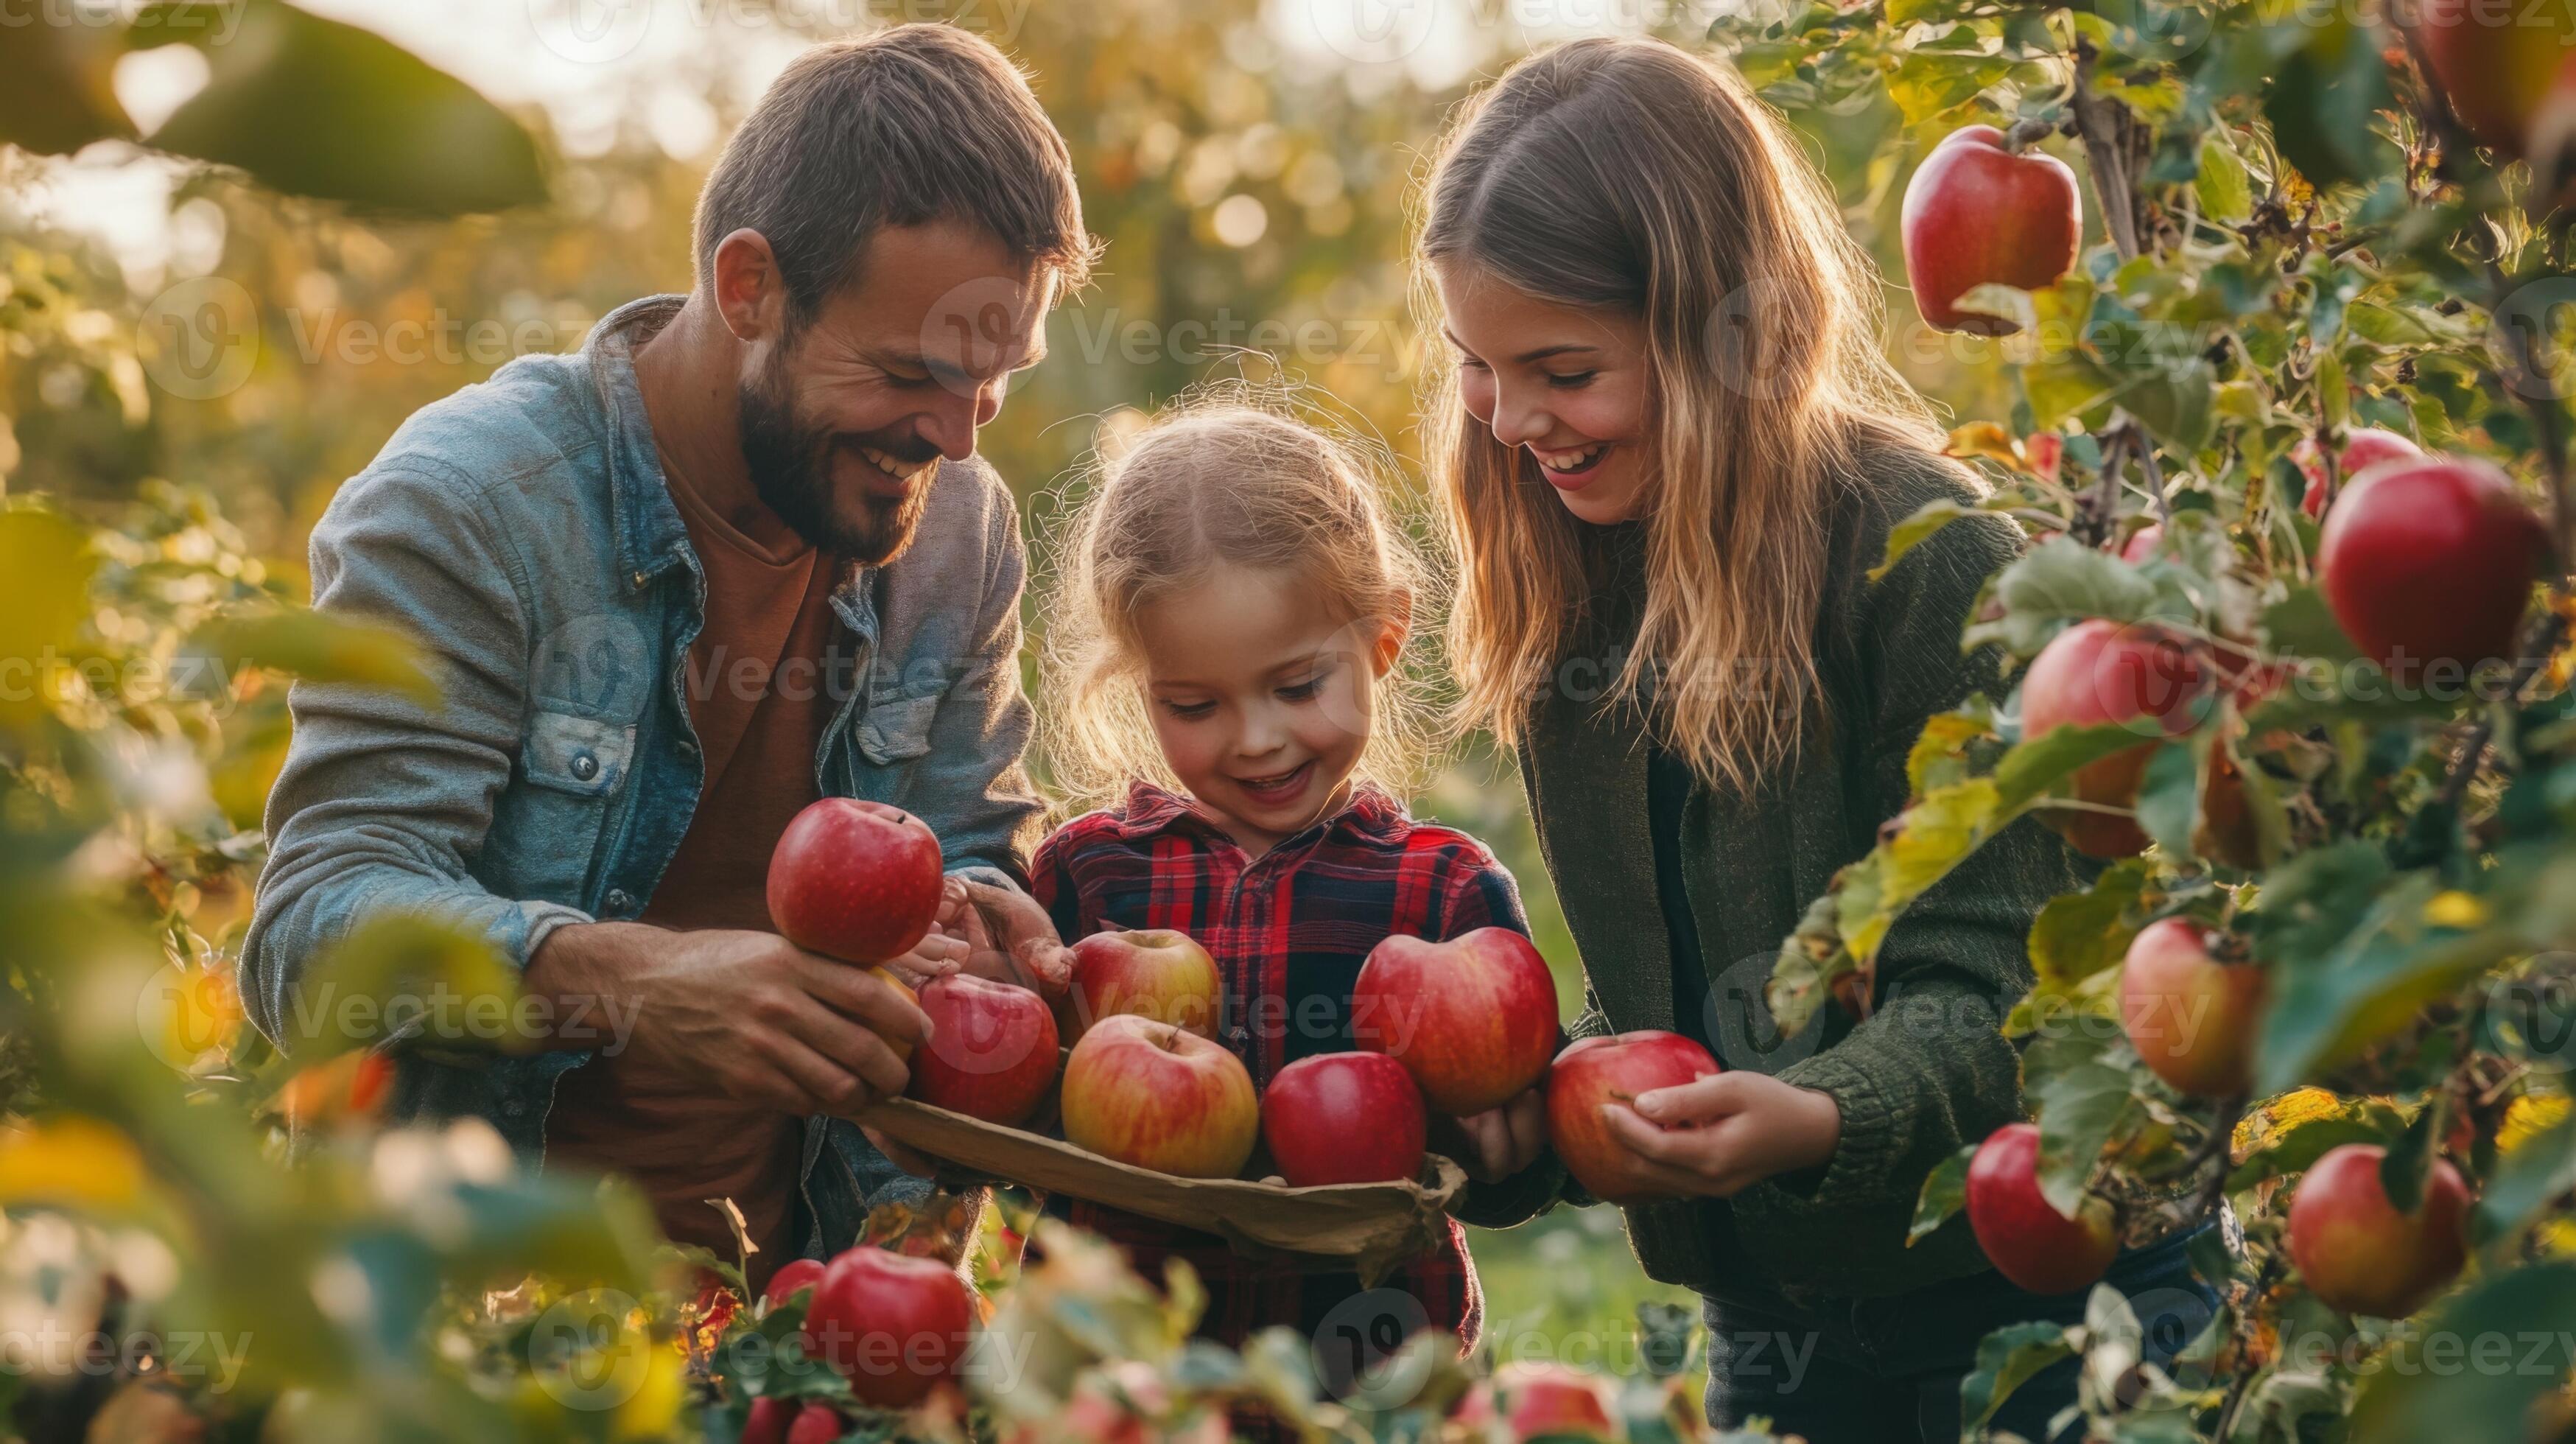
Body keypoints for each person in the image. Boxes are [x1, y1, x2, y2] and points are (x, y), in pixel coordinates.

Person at [1410, 36, 2216, 1443]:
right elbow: (1679, 1006)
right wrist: (1530, 1119)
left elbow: (2030, 995)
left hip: (2038, 1311)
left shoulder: (1922, 565)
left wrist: (1819, 1117)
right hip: (1781, 1326)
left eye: (1561, 369)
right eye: (1475, 366)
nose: (1513, 420)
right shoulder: (1571, 581)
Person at [241, 25, 1095, 1291]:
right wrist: (629, 984)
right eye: (912, 373)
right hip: (474, 1321)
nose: (959, 441)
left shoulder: (955, 535)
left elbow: (959, 839)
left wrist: (987, 915)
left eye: (995, 381)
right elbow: (312, 930)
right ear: (749, 287)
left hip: (822, 1309)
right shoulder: (472, 508)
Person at [1028, 399, 1554, 1412]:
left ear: (1384, 640)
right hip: (1132, 1381)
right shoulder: (1088, 884)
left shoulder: (1441, 891)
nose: (1256, 738)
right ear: (1139, 689)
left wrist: (1510, 1154)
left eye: (1296, 685)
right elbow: (1022, 1123)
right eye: (1194, 705)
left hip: (1366, 1376)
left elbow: (1504, 1165)